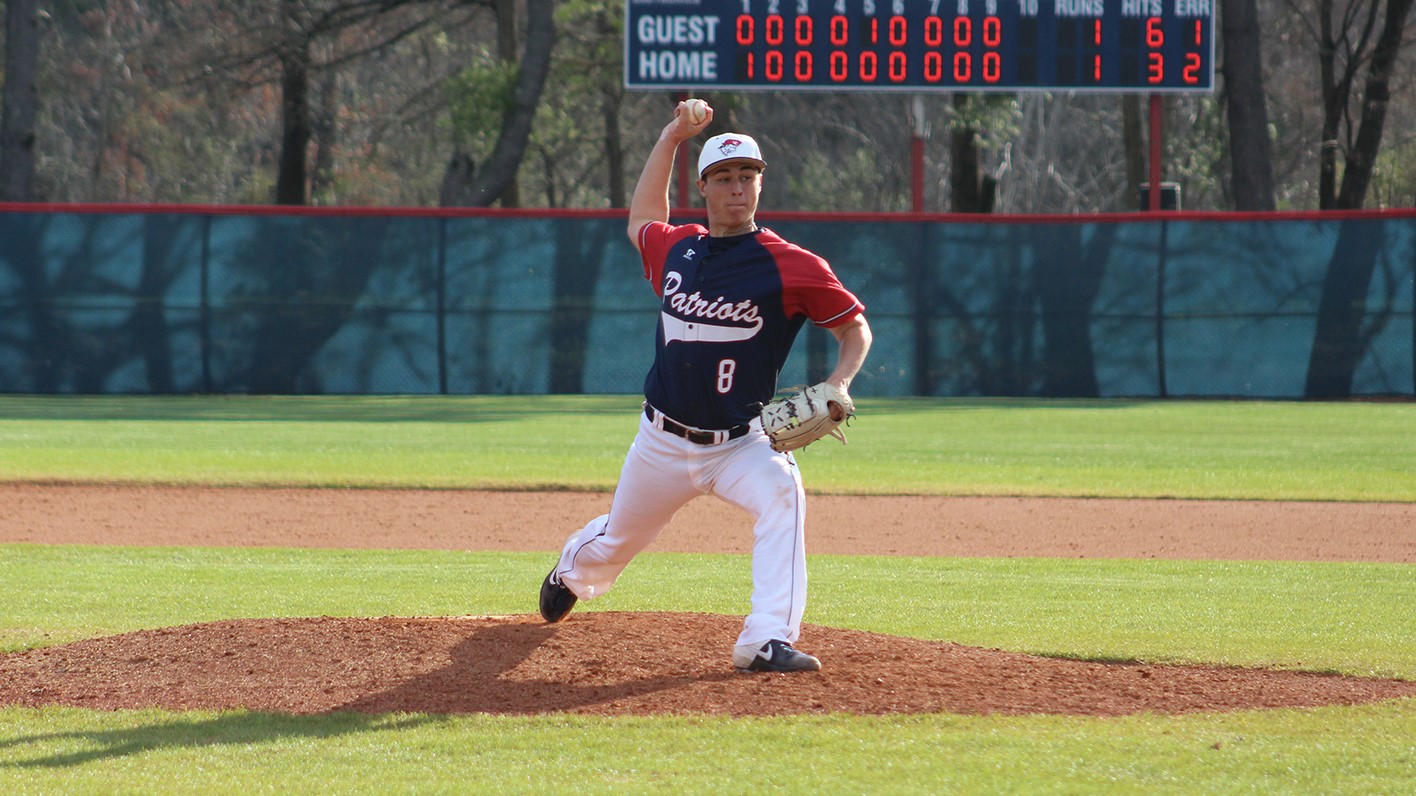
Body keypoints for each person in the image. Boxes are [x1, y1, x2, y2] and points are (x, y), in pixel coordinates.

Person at [538, 99, 872, 673]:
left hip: (743, 443)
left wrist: (839, 383)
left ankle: (765, 640)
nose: (737, 187)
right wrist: (671, 135)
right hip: (661, 442)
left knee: (783, 497)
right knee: (616, 542)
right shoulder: (677, 248)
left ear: (760, 185)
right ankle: (570, 571)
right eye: (724, 177)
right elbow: (641, 217)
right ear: (705, 186)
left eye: (748, 176)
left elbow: (854, 329)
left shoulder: (790, 264)